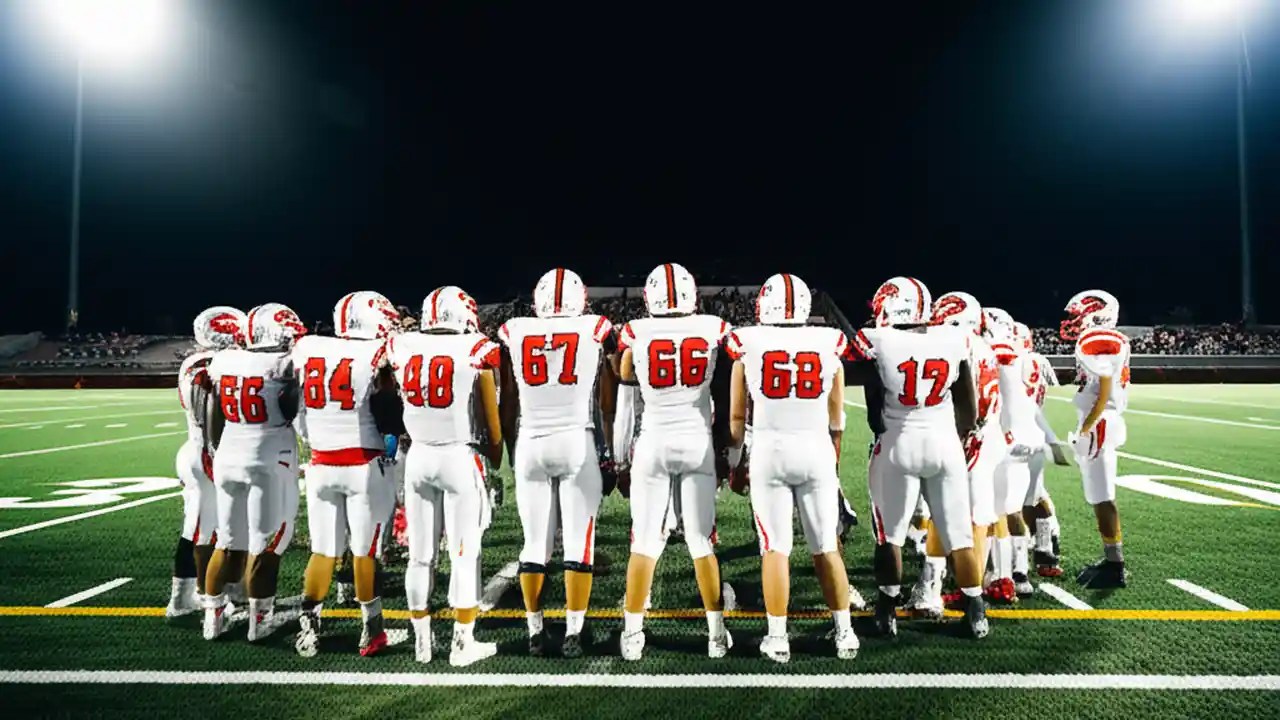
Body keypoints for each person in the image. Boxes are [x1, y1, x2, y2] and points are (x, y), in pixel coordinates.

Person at [725, 272, 859, 663]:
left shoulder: (748, 343)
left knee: (775, 548)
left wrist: (735, 460)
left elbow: (737, 420)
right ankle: (845, 633)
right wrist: (831, 456)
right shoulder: (827, 342)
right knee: (826, 547)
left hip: (771, 451)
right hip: (815, 449)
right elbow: (837, 420)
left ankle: (778, 637)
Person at [853, 279, 988, 639]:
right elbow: (969, 412)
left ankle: (886, 611)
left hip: (899, 443)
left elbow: (873, 407)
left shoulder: (876, 340)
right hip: (945, 445)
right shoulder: (952, 338)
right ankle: (976, 613)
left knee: (890, 537)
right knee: (959, 534)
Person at [613, 263, 734, 661]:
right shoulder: (713, 328)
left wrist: (618, 458)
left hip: (654, 442)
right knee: (701, 542)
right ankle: (716, 635)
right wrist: (729, 452)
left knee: (645, 542)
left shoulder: (636, 332)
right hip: (696, 442)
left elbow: (627, 384)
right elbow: (724, 390)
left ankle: (632, 635)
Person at [497, 268, 618, 658]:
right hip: (574, 439)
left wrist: (510, 444)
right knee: (580, 545)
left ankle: (535, 632)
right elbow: (606, 395)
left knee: (534, 544)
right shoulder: (595, 327)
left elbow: (510, 397)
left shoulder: (514, 329)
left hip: (530, 440)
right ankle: (573, 631)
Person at [387, 286, 504, 667]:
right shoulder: (476, 348)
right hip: (458, 455)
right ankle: (462, 643)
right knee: (464, 553)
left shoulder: (402, 345)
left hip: (419, 455)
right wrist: (496, 452)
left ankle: (422, 643)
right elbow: (491, 417)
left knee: (419, 556)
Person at [291, 292, 403, 657]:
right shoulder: (377, 353)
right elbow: (389, 413)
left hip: (321, 465)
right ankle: (371, 629)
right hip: (362, 465)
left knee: (323, 551)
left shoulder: (309, 349)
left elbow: (293, 405)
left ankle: (308, 625)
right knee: (364, 550)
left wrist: (312, 435)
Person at [202, 304, 306, 642]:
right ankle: (259, 622)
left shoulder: (224, 360)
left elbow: (215, 411)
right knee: (267, 543)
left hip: (230, 451)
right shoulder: (285, 363)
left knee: (228, 541)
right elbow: (291, 409)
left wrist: (217, 449)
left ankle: (213, 618)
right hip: (269, 454)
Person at [166, 306, 246, 619]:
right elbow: (208, 413)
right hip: (208, 452)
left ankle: (204, 594)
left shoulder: (199, 360)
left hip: (205, 450)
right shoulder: (205, 365)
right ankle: (194, 596)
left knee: (212, 528)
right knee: (204, 531)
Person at [1062, 290, 1130, 589]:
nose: (1073, 321)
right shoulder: (1101, 338)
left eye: (1078, 314)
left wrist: (1087, 427)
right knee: (1098, 494)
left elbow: (1104, 386)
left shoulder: (1099, 339)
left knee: (1102, 494)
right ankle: (1111, 559)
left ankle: (1115, 565)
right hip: (1099, 419)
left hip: (1100, 420)